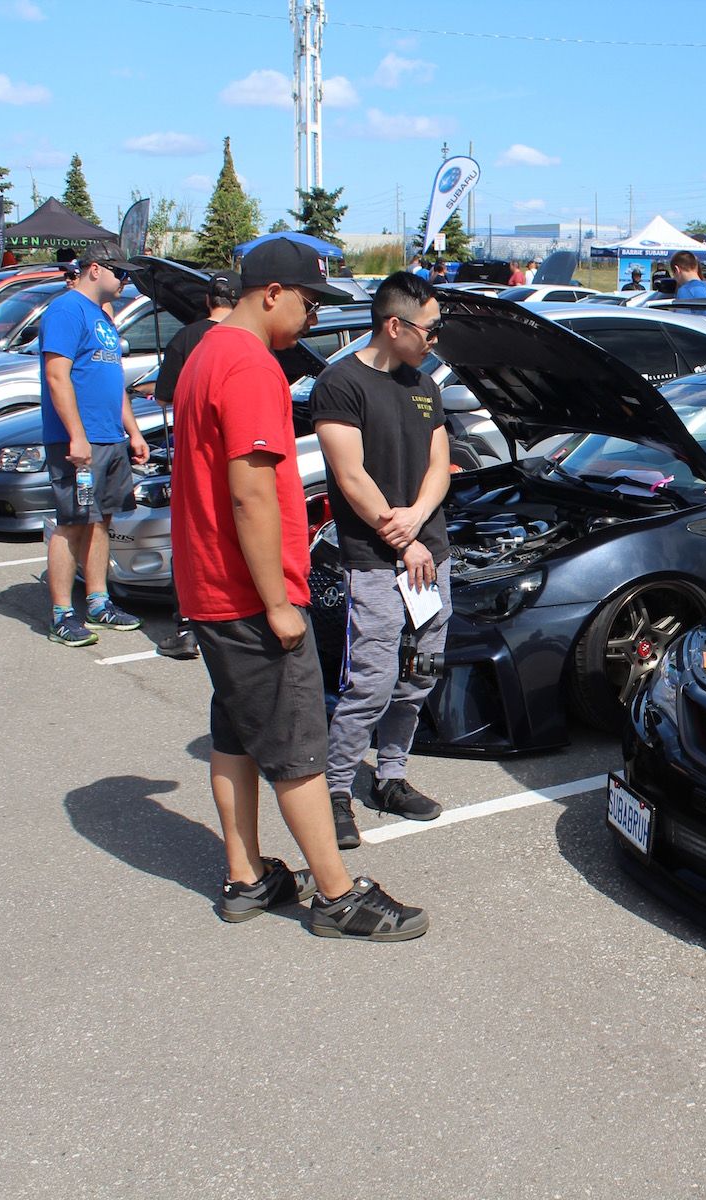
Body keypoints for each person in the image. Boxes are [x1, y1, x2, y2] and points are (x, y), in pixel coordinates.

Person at [171, 237, 428, 941]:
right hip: (249, 594)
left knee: (236, 733)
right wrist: (279, 603)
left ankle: (247, 874)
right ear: (272, 293)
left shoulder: (206, 352)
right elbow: (252, 494)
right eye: (310, 302)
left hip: (209, 585)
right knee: (296, 747)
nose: (313, 318)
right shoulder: (250, 365)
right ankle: (338, 898)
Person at [311, 270, 452, 847]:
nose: (435, 340)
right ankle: (336, 789)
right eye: (430, 329)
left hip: (429, 553)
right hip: (376, 558)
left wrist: (418, 517)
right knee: (372, 681)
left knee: (421, 674)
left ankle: (390, 777)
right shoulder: (340, 384)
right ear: (394, 325)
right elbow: (350, 476)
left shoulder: (426, 386)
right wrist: (403, 537)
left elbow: (440, 464)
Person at [39, 239, 150, 647]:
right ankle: (61, 614)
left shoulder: (103, 317)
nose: (124, 280)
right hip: (80, 442)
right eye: (119, 272)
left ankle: (98, 601)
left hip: (110, 438)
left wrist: (133, 431)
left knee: (102, 520)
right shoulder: (66, 309)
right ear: (94, 269)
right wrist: (76, 435)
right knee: (72, 523)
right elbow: (57, 375)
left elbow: (112, 381)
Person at [151, 268, 240, 660]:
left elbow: (165, 396)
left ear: (208, 300)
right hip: (240, 452)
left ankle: (189, 627)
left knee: (191, 540)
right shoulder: (246, 341)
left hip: (193, 453)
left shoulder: (187, 337)